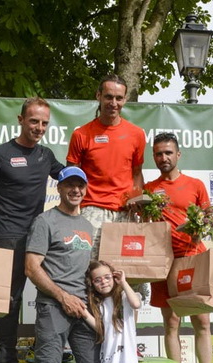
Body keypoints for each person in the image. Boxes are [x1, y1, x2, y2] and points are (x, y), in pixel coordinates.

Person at [25, 166, 119, 363]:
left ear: (85, 189)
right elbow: (31, 267)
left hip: (84, 310)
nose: (75, 190)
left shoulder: (86, 226)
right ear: (60, 188)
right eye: (70, 185)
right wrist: (62, 296)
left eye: (80, 186)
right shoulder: (45, 220)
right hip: (54, 306)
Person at [0, 97, 64, 363]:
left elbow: (71, 179)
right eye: (34, 121)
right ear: (20, 119)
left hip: (40, 237)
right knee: (8, 304)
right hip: (8, 238)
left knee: (53, 295)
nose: (39, 128)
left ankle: (51, 349)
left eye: (44, 123)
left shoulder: (46, 156)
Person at [144, 133, 213, 363]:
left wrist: (198, 228)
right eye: (158, 154)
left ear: (178, 155)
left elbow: (208, 217)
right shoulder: (149, 189)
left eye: (168, 153)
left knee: (202, 322)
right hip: (164, 262)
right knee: (171, 323)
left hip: (193, 258)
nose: (163, 158)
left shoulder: (195, 184)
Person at [67, 74, 146, 255]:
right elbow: (71, 177)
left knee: (128, 274)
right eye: (109, 97)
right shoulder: (81, 134)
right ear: (98, 96)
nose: (113, 103)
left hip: (125, 211)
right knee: (87, 270)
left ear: (125, 100)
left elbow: (137, 173)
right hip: (91, 210)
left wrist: (137, 200)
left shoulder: (136, 134)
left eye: (119, 98)